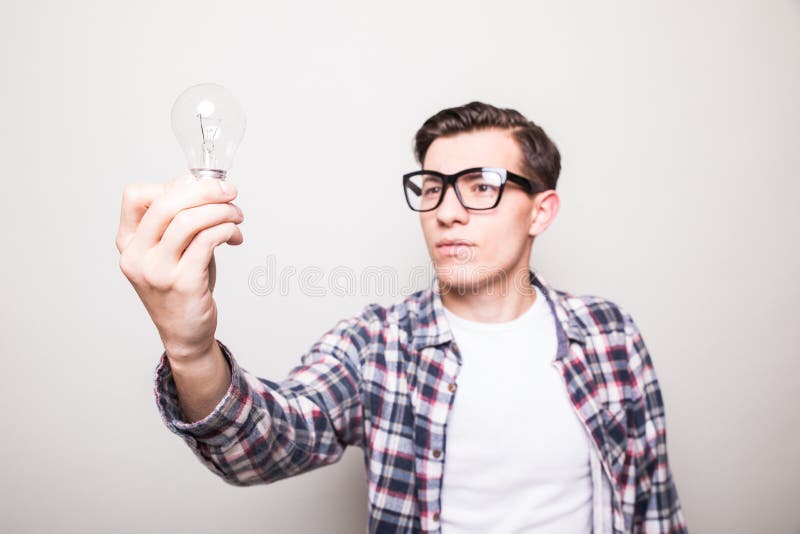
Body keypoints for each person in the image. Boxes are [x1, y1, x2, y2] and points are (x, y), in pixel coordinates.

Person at [116, 101, 687, 533]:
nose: (446, 212)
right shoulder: (378, 344)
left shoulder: (610, 336)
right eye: (433, 187)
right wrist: (190, 348)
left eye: (481, 187)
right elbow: (261, 446)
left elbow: (655, 508)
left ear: (541, 211)